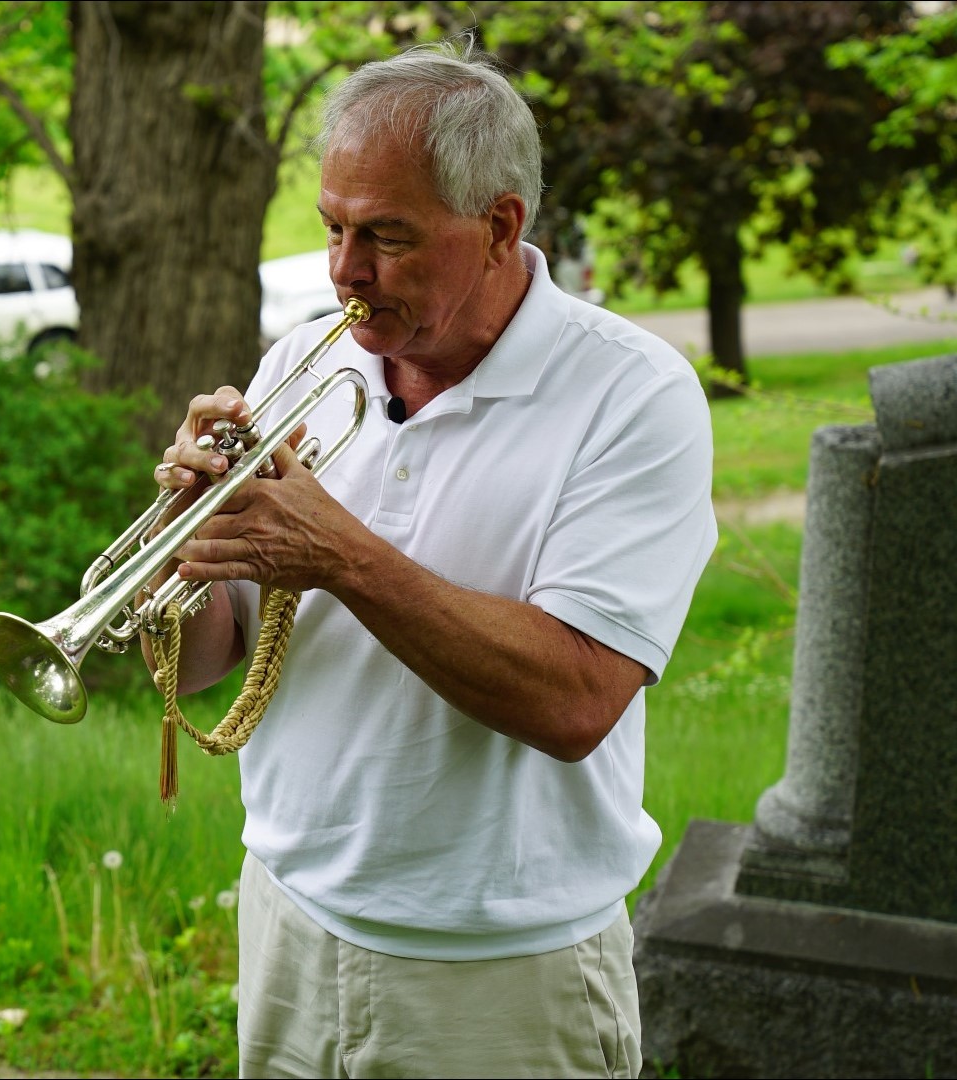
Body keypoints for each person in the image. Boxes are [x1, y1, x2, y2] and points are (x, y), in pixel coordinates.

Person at [145, 38, 716, 1079]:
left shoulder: (635, 397)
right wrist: (181, 553)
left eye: (387, 238)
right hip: (290, 924)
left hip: (504, 977)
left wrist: (345, 556)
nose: (344, 272)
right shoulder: (297, 363)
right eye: (331, 228)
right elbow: (202, 667)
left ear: (499, 225)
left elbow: (577, 700)